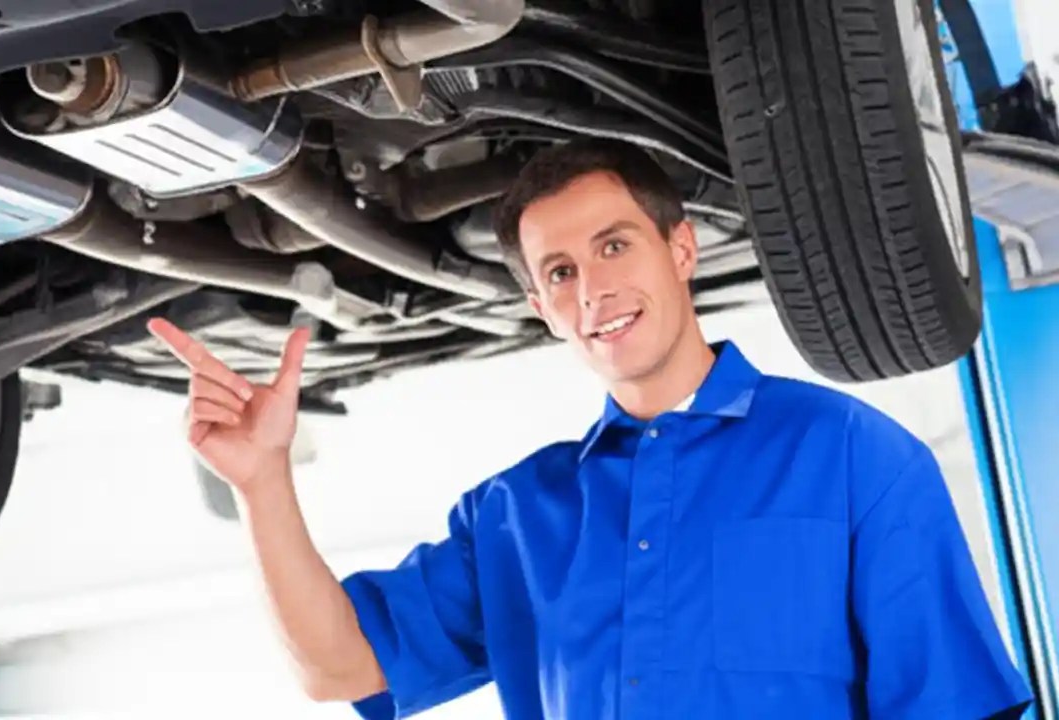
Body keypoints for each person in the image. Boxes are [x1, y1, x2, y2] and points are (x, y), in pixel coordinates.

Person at [147, 138, 1035, 719]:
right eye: (561, 271)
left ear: (679, 250)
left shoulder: (851, 456)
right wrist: (263, 484)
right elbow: (335, 668)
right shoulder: (516, 518)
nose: (593, 291)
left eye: (616, 247)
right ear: (540, 306)